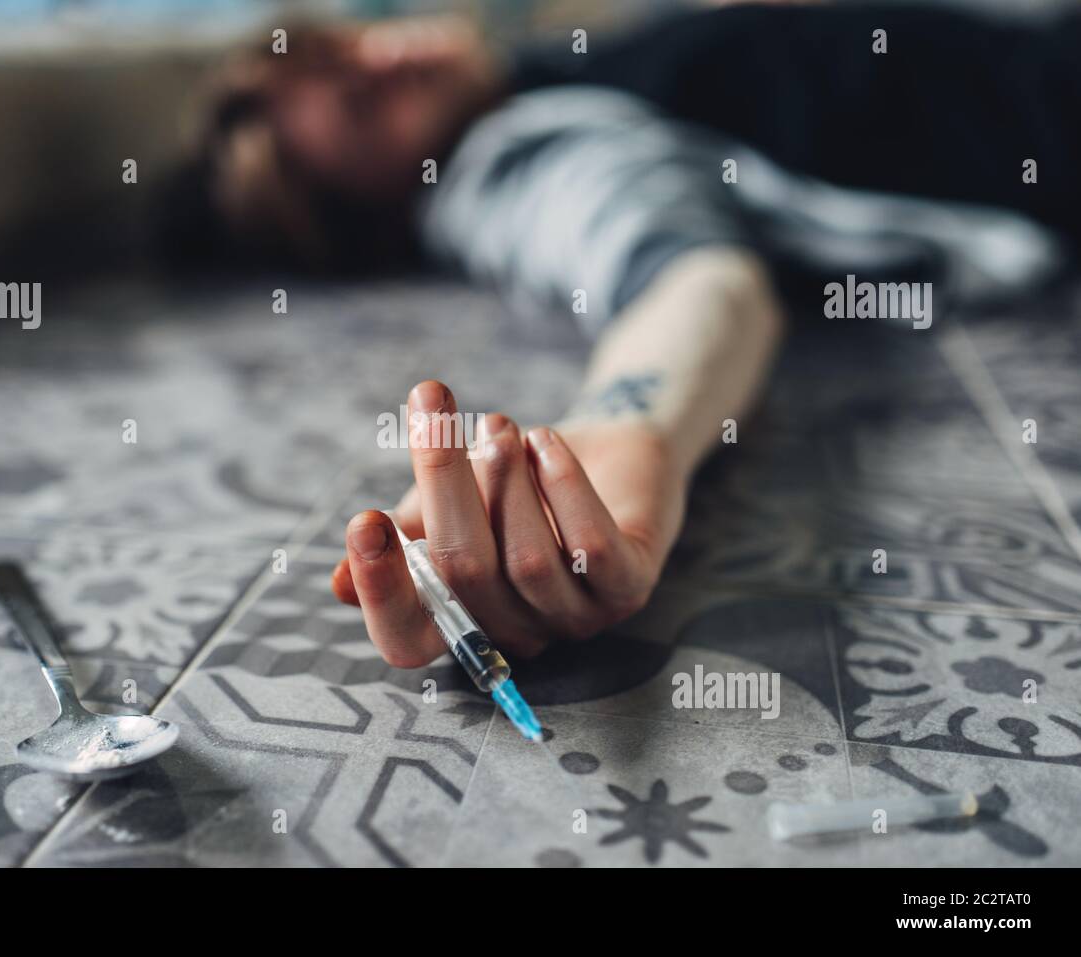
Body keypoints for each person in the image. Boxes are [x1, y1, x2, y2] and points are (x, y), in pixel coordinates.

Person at [191, 3, 1075, 669]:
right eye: (361, 102)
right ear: (377, 211)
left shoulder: (532, 76)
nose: (389, 56)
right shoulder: (509, 164)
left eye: (355, 45)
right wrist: (628, 423)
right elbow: (685, 270)